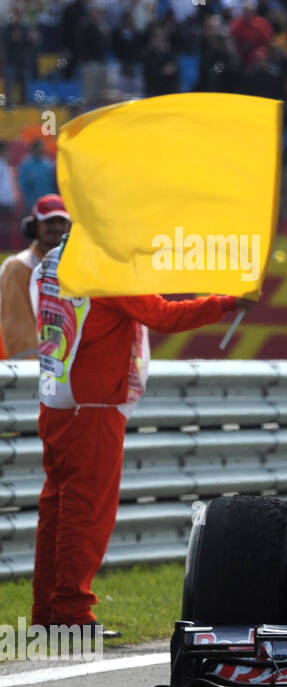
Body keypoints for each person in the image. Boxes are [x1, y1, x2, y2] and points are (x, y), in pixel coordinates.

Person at [30, 235, 253, 637]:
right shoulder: (106, 268)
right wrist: (226, 303)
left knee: (57, 509)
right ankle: (73, 614)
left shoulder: (53, 258)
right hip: (94, 406)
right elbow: (164, 315)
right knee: (87, 513)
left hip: (55, 397)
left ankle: (47, 612)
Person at [1, 194, 69, 360]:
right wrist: (33, 372)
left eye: (61, 222)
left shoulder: (73, 267)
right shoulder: (19, 268)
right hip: (33, 371)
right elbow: (17, 328)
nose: (56, 227)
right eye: (49, 222)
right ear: (35, 227)